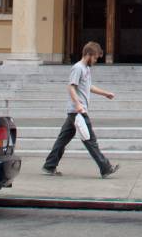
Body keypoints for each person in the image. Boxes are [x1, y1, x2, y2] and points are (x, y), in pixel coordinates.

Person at [44, 41, 119, 178]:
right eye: (95, 57)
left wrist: (105, 93)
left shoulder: (86, 69)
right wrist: (78, 104)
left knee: (63, 139)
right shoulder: (78, 68)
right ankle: (105, 167)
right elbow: (71, 87)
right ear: (89, 54)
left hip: (75, 111)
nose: (96, 61)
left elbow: (88, 87)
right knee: (90, 140)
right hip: (78, 111)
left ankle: (49, 165)